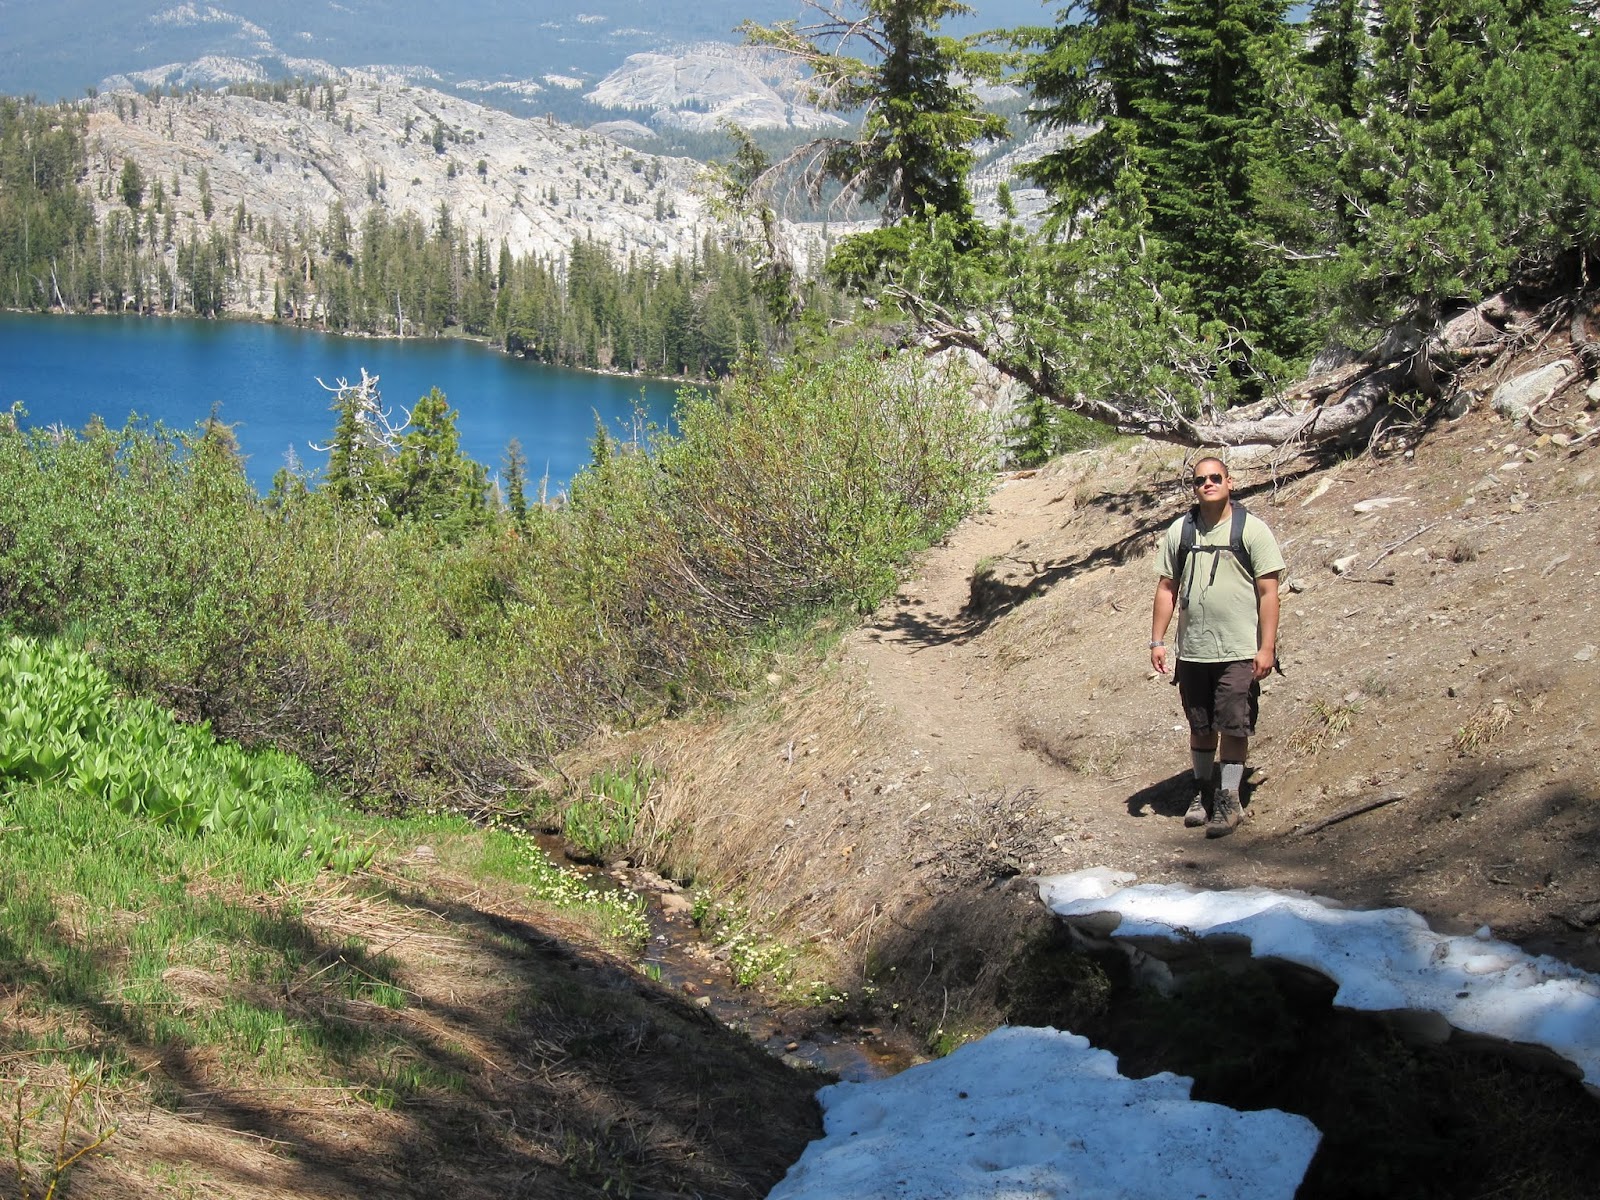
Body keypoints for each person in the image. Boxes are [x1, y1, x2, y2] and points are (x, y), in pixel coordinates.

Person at [1148, 457, 1285, 838]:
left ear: (1229, 481)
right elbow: (1166, 588)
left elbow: (1268, 592)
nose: (1207, 484)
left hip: (1239, 648)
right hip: (1193, 650)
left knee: (1234, 723)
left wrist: (1267, 647)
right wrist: (1157, 640)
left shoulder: (1252, 530)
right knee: (1201, 724)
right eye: (1199, 480)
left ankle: (1228, 799)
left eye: (1214, 478)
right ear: (1193, 487)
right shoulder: (1181, 531)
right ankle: (1202, 791)